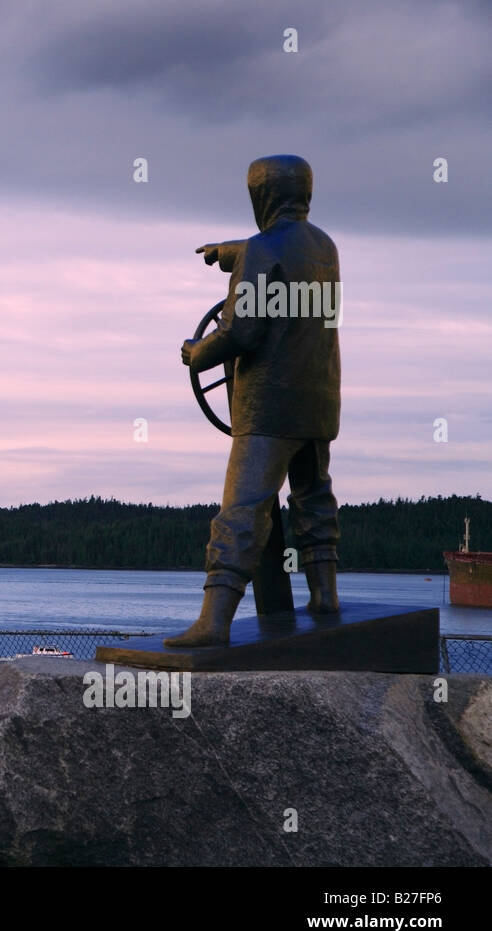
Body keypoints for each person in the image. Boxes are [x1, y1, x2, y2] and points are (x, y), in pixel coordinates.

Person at [168, 155, 342, 647]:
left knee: (242, 508)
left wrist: (198, 353)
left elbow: (241, 331)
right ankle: (325, 595)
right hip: (318, 401)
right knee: (313, 495)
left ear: (260, 196)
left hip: (268, 409)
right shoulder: (325, 247)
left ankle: (214, 621)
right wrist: (232, 253)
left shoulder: (262, 251)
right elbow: (286, 258)